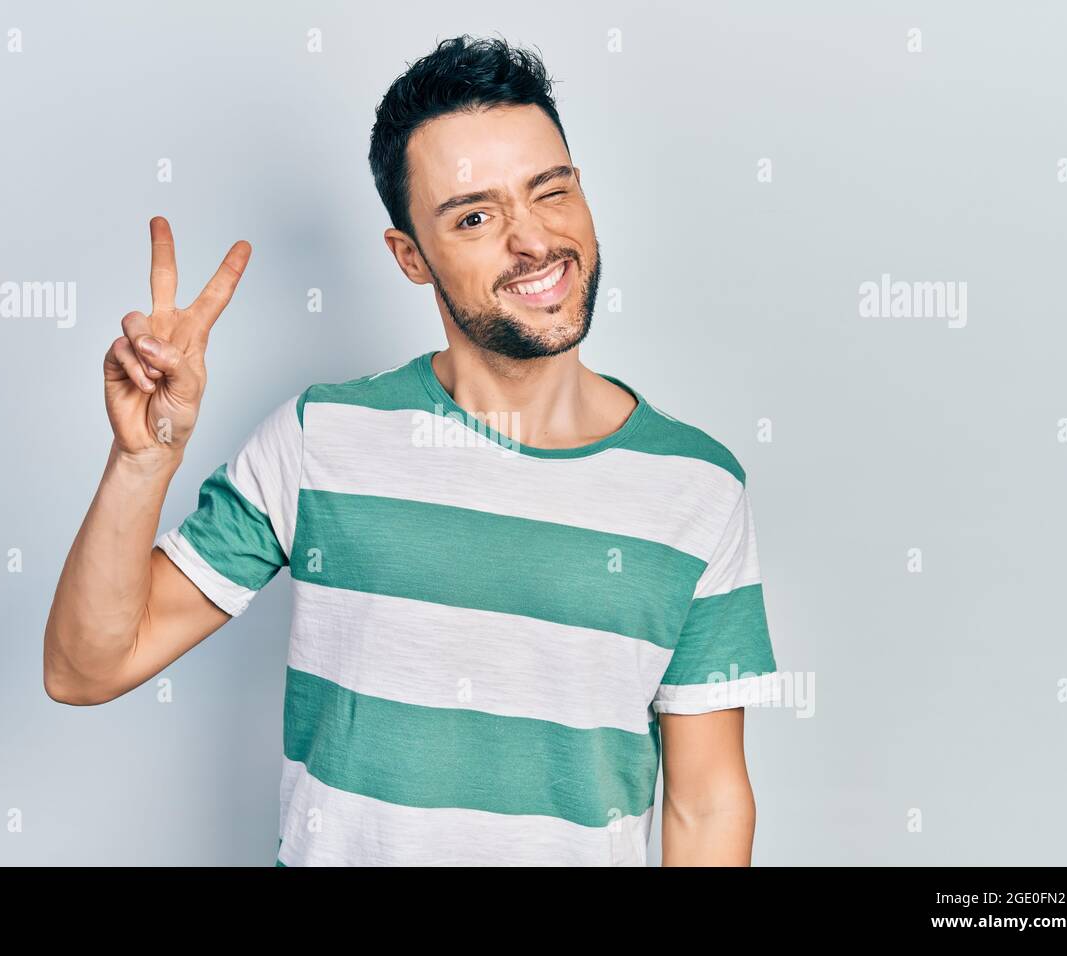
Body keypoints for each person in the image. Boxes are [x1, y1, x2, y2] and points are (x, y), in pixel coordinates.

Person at [43, 34, 781, 866]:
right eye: (475, 217)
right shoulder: (319, 439)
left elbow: (708, 802)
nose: (534, 241)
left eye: (551, 191)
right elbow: (86, 668)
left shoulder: (698, 487)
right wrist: (144, 461)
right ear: (410, 259)